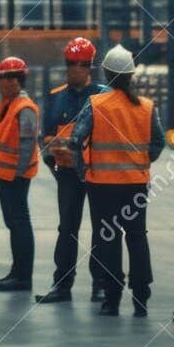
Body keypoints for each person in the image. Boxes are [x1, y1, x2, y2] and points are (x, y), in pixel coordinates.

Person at [69, 45, 165, 317]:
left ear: (106, 73)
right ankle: (141, 298)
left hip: (102, 185)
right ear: (131, 75)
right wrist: (143, 163)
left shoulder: (96, 104)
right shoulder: (146, 107)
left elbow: (76, 140)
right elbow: (158, 142)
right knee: (137, 237)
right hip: (136, 184)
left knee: (107, 239)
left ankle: (111, 299)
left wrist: (83, 171)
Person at [36, 37, 108, 305]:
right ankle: (61, 285)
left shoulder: (103, 97)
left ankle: (100, 284)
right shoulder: (56, 99)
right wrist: (59, 167)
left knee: (102, 228)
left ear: (90, 66)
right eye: (70, 64)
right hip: (67, 174)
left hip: (96, 173)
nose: (74, 69)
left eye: (80, 64)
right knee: (67, 228)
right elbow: (46, 140)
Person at [0, 56, 40, 292]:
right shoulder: (7, 104)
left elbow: (28, 144)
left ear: (14, 81)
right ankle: (17, 271)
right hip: (5, 175)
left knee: (19, 223)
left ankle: (23, 277)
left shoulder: (25, 108)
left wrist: (18, 174)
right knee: (14, 223)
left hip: (15, 177)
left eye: (2, 79)